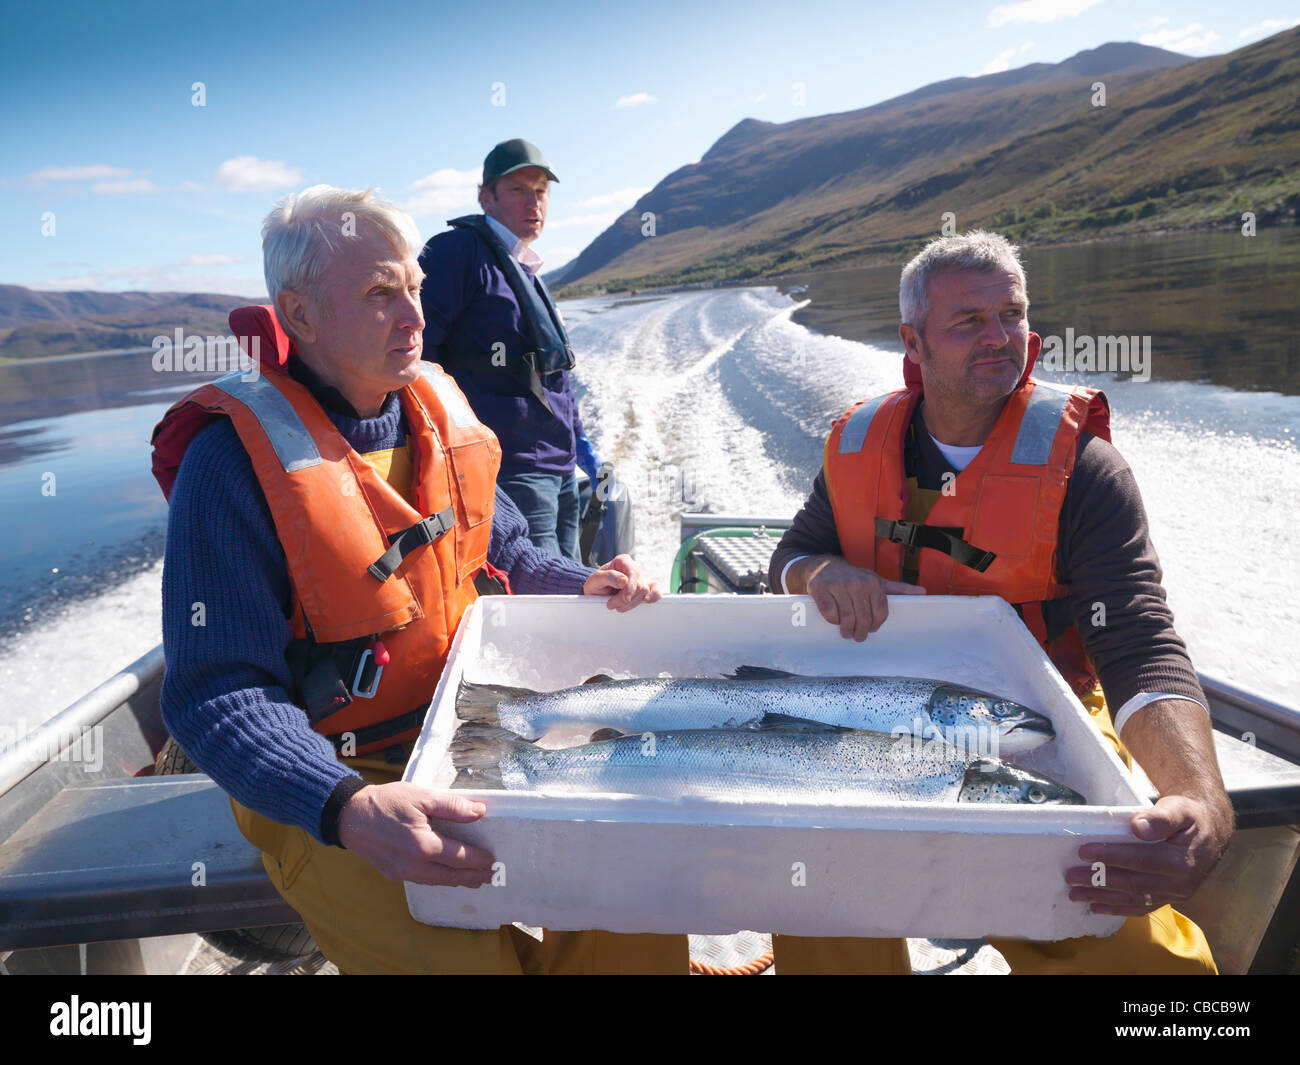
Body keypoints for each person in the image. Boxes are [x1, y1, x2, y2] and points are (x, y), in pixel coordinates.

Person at [150, 185, 664, 975]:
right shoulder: (231, 467)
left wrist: (585, 582)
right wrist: (343, 806)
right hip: (321, 783)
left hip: (466, 732)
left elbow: (509, 555)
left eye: (415, 287)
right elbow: (214, 689)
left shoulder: (437, 411)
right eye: (380, 293)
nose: (416, 316)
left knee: (634, 907)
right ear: (302, 315)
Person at [768, 230, 1232, 974]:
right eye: (969, 321)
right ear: (912, 344)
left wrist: (1199, 797)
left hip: (1038, 719)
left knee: (1143, 961)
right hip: (870, 716)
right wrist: (819, 572)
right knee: (819, 890)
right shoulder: (855, 446)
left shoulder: (1086, 470)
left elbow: (1138, 642)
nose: (1000, 337)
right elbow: (787, 556)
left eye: (1011, 315)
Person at [418, 138, 600, 562]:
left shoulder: (527, 271)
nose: (533, 201)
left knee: (571, 581)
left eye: (541, 191)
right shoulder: (456, 253)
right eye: (518, 189)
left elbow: (553, 373)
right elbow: (416, 357)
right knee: (543, 603)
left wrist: (581, 443)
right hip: (511, 468)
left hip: (560, 466)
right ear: (487, 197)